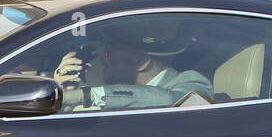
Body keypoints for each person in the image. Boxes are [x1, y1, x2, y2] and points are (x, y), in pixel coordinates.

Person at [53, 32, 213, 111]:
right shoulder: (117, 99)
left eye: (108, 53)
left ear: (141, 61)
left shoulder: (190, 82)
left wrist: (83, 95)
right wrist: (64, 97)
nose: (102, 60)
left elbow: (176, 101)